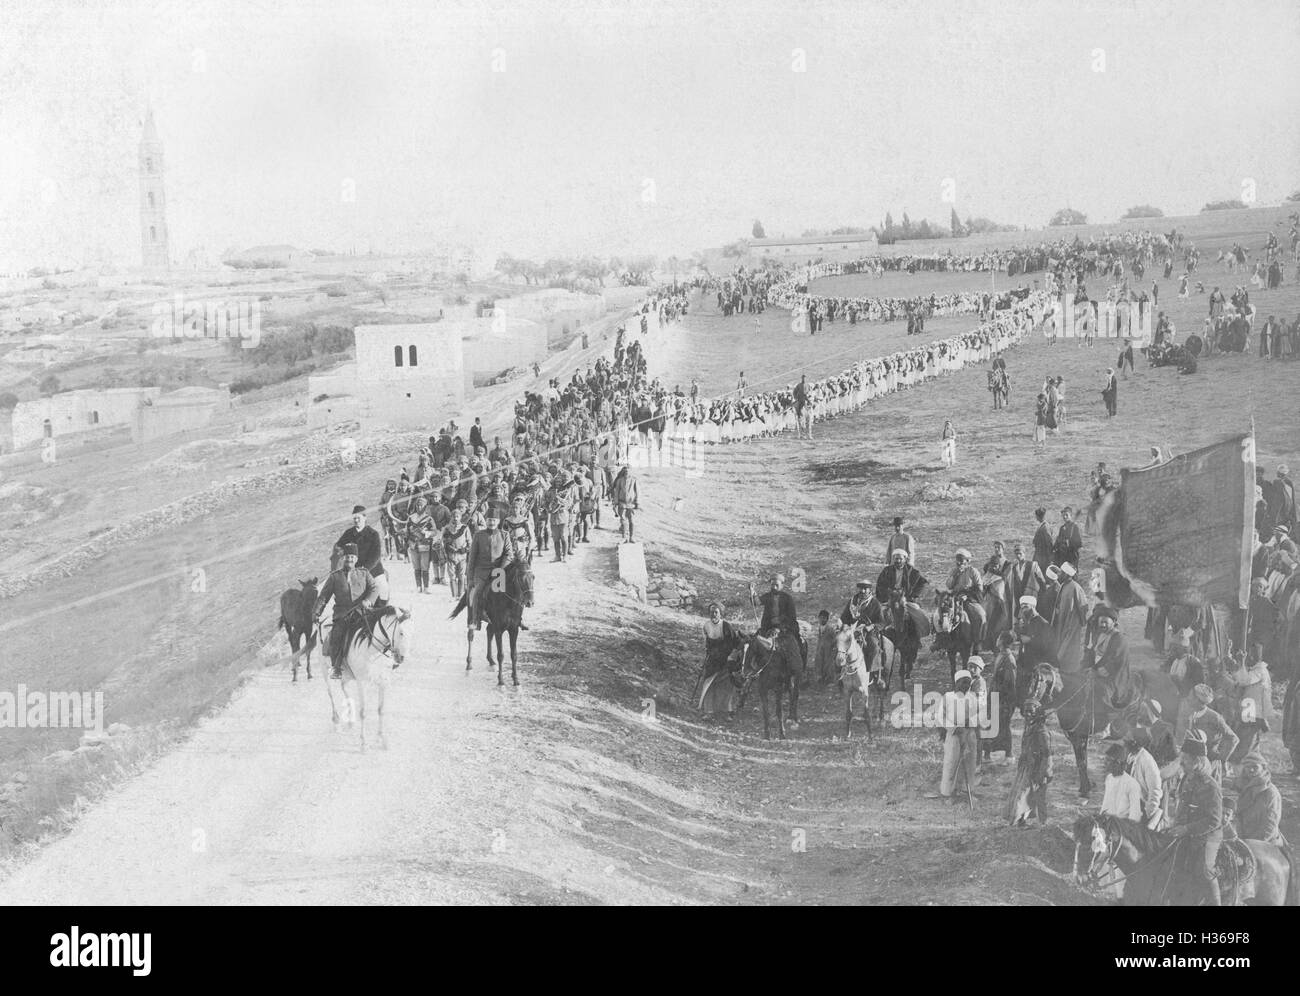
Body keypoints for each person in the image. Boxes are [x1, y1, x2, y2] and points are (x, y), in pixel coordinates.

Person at [1168, 729, 1224, 906]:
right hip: (1186, 831)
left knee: (1206, 870)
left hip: (1208, 835)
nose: (1181, 761)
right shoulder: (1186, 778)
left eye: (1186, 758)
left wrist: (1186, 829)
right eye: (1182, 757)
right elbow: (1182, 808)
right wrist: (1175, 826)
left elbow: (1214, 820)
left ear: (1197, 761)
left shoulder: (1210, 786)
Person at [313, 542, 378, 680]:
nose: (350, 559)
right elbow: (324, 597)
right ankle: (336, 667)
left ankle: (383, 660)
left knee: (377, 631)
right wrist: (316, 613)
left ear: (356, 559)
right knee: (337, 636)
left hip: (362, 613)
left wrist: (368, 601)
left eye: (353, 557)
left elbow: (374, 588)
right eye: (347, 556)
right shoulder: (334, 577)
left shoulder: (364, 573)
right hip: (342, 615)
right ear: (343, 558)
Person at [465, 503, 515, 631]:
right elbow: (472, 558)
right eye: (489, 520)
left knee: (508, 592)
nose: (491, 522)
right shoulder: (478, 535)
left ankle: (514, 619)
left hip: (499, 570)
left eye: (494, 520)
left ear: (498, 521)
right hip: (481, 572)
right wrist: (470, 577)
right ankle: (476, 619)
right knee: (477, 592)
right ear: (485, 521)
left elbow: (509, 554)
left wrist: (501, 569)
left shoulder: (504, 535)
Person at [1006, 698, 1052, 826]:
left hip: (1038, 769)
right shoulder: (1029, 728)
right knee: (1024, 795)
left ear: (1038, 713)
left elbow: (1047, 755)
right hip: (1027, 768)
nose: (1028, 715)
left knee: (1038, 797)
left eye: (1031, 712)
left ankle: (1043, 824)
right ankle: (1021, 820)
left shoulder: (1042, 731)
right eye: (1025, 712)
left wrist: (1044, 772)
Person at [334, 504, 388, 608]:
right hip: (353, 569)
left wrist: (365, 569)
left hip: (373, 569)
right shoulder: (348, 533)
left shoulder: (373, 534)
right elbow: (338, 546)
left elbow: (376, 555)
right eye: (354, 518)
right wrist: (341, 552)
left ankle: (381, 611)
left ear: (365, 518)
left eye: (359, 518)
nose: (356, 520)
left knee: (383, 588)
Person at [938, 669, 979, 803]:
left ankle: (968, 791)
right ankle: (950, 793)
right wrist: (954, 728)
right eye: (963, 683)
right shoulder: (948, 697)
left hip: (969, 734)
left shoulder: (972, 698)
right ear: (956, 683)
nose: (966, 686)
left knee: (969, 762)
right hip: (954, 735)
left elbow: (979, 716)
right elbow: (940, 717)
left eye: (968, 683)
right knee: (952, 762)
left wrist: (970, 722)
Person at [1084, 606, 1134, 708]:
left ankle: (1103, 721)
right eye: (1101, 622)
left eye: (1106, 622)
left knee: (1100, 693)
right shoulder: (1100, 635)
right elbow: (1092, 653)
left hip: (1114, 677)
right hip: (1097, 671)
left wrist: (1096, 671)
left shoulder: (1119, 639)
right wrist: (1086, 667)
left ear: (1114, 622)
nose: (1102, 625)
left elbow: (1114, 663)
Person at [699, 602, 741, 716]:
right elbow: (707, 644)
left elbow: (734, 643)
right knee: (708, 683)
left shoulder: (726, 626)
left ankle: (728, 711)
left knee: (727, 684)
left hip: (725, 659)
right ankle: (709, 711)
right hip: (713, 660)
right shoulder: (706, 626)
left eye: (716, 612)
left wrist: (731, 657)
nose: (713, 614)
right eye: (711, 612)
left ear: (720, 613)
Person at [1235, 752, 1285, 845]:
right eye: (1247, 767)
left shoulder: (1270, 792)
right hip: (1246, 840)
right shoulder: (1245, 788)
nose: (1251, 770)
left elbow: (1270, 824)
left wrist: (1254, 843)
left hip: (1266, 842)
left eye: (1255, 767)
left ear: (1263, 768)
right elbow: (1239, 816)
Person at [758, 573, 805, 668]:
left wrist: (779, 629)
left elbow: (791, 618)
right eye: (772, 585)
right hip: (768, 628)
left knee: (793, 649)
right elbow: (757, 602)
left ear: (782, 586)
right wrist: (752, 592)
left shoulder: (788, 599)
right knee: (754, 643)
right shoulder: (768, 596)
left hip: (785, 628)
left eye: (776, 585)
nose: (774, 587)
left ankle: (796, 674)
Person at [1124, 727, 1165, 829]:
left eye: (1127, 740)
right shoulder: (1131, 756)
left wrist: (1147, 815)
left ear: (1135, 743)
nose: (1124, 742)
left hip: (1143, 810)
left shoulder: (1147, 762)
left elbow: (1155, 792)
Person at [985, 632, 1016, 762]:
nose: (996, 640)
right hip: (996, 696)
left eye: (998, 638)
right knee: (996, 724)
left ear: (1002, 641)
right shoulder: (1001, 655)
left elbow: (1010, 683)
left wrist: (1005, 702)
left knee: (1004, 725)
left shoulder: (1008, 659)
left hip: (1003, 699)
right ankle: (994, 753)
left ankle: (1009, 754)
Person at [1051, 561, 1088, 671]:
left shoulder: (1075, 587)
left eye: (1061, 572)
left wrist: (1080, 623)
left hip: (1071, 625)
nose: (1059, 574)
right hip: (1062, 623)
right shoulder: (1063, 585)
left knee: (1069, 650)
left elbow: (1083, 607)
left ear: (1067, 574)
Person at [406, 496, 435, 594]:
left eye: (421, 505)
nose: (419, 507)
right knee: (416, 567)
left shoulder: (429, 519)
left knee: (425, 567)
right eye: (417, 505)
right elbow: (407, 532)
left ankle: (426, 587)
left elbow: (434, 532)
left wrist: (426, 532)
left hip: (424, 545)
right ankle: (418, 587)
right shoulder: (411, 518)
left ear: (425, 506)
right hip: (413, 545)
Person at [443, 504, 471, 600]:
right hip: (451, 555)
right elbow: (444, 541)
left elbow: (470, 542)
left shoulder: (465, 528)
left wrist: (464, 550)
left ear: (461, 517)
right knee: (452, 576)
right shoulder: (447, 528)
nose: (455, 518)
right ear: (451, 517)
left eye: (457, 516)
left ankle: (460, 595)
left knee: (461, 575)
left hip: (462, 556)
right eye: (454, 516)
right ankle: (454, 595)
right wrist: (449, 548)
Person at [611, 462, 638, 544]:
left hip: (631, 504)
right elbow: (616, 492)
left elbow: (638, 492)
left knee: (632, 521)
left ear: (630, 471)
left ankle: (632, 537)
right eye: (625, 471)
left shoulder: (634, 480)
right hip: (622, 503)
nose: (626, 472)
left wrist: (637, 502)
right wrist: (615, 503)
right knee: (623, 521)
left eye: (628, 471)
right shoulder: (619, 481)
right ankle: (624, 537)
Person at [1031, 507, 1053, 574]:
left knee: (1040, 572)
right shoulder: (1042, 525)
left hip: (1043, 555)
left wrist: (1049, 557)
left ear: (1039, 516)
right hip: (1040, 553)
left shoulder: (1045, 527)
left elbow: (1049, 542)